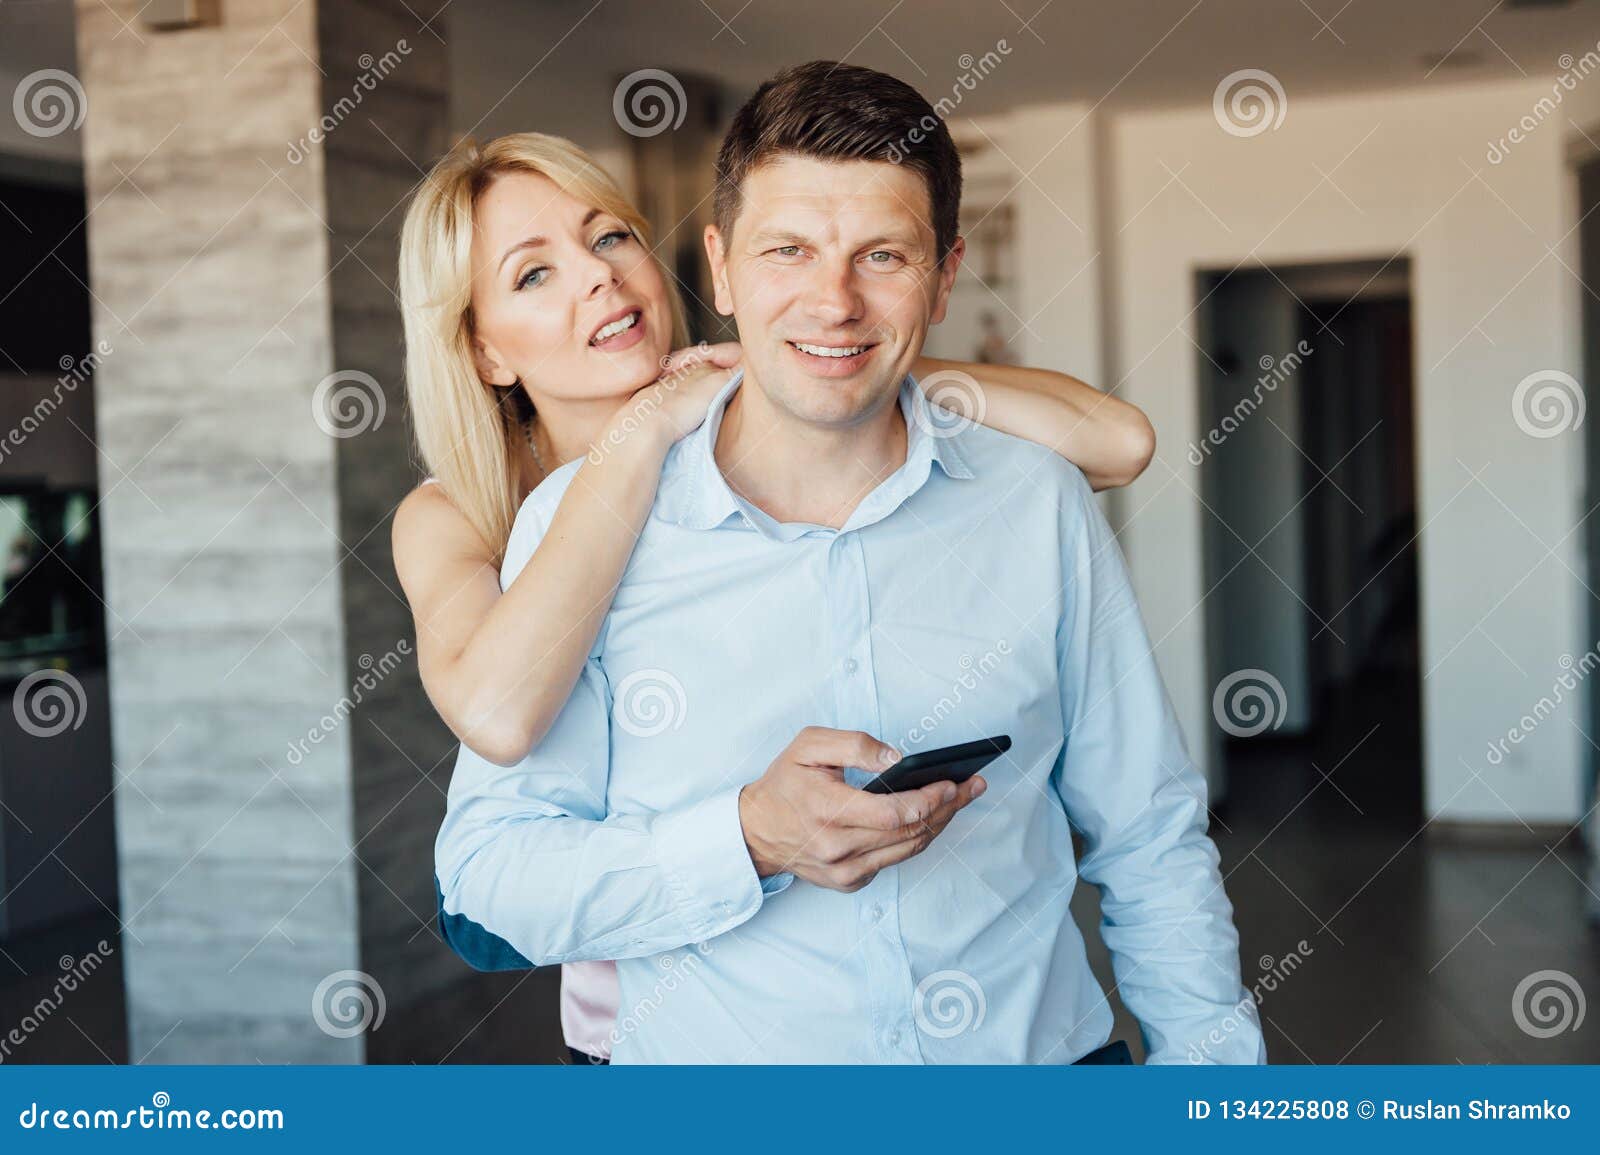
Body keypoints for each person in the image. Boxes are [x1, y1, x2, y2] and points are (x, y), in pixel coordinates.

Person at [433, 62, 1264, 1065]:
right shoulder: (577, 527)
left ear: (945, 276)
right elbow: (491, 877)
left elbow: (1150, 838)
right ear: (722, 269)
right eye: (787, 250)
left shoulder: (1033, 499)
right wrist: (747, 838)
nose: (833, 301)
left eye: (882, 256)